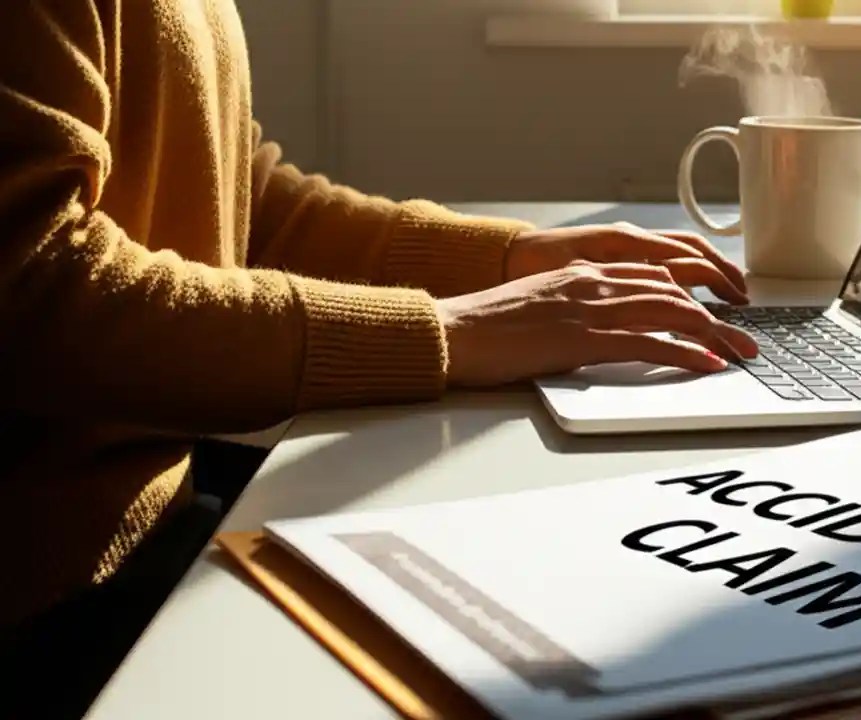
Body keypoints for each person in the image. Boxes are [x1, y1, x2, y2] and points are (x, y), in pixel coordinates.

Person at [0, 0, 758, 715]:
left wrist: (504, 261)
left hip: (157, 513)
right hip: (56, 599)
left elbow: (244, 202)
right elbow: (32, 290)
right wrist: (445, 333)